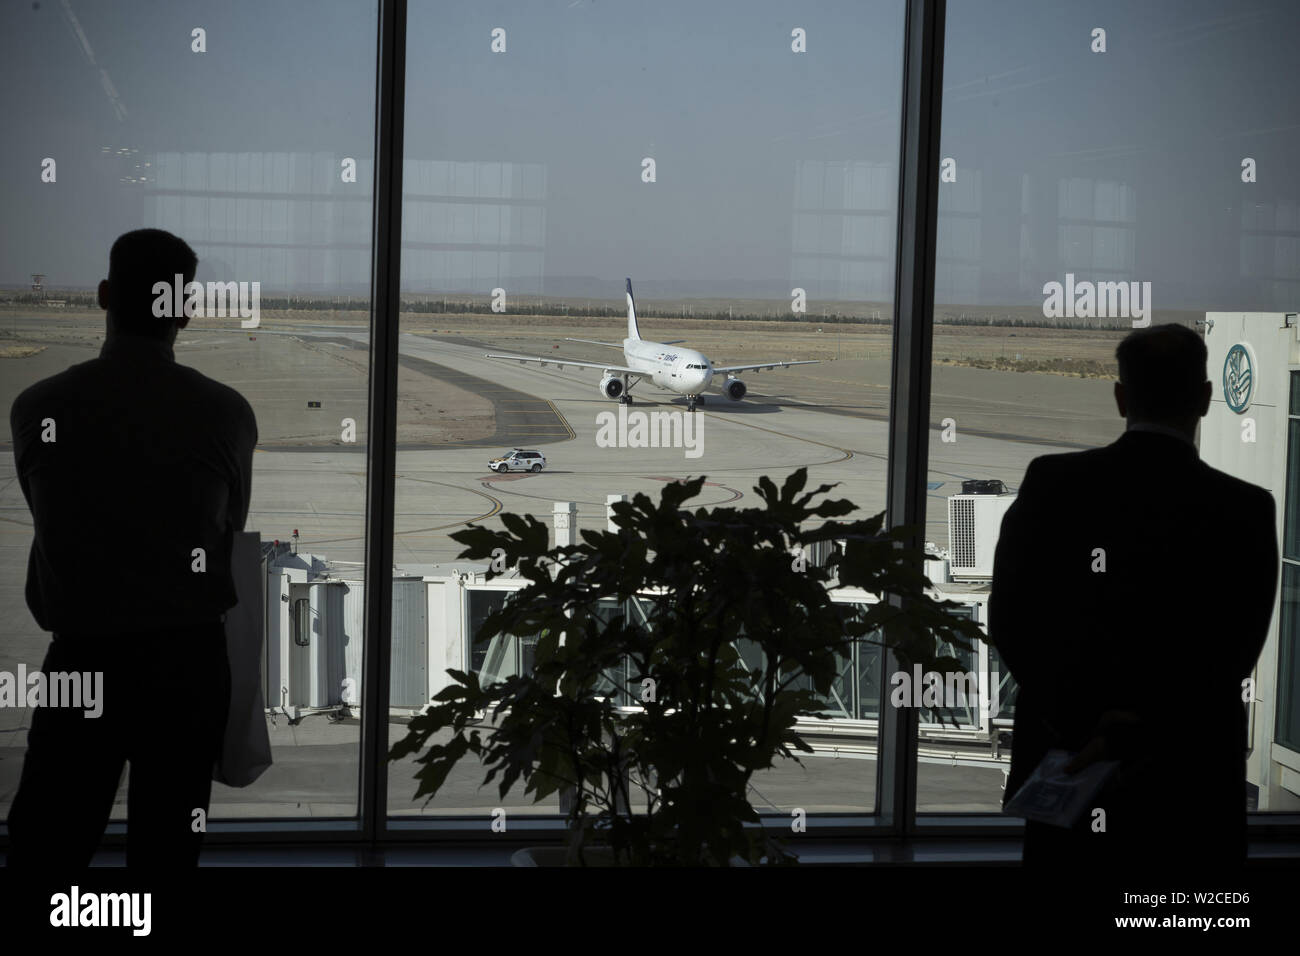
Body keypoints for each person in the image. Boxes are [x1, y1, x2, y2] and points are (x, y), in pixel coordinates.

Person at [6, 229, 258, 868]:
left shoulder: (37, 407)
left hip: (84, 657)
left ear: (103, 297)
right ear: (184, 309)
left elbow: (50, 522)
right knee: (168, 853)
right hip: (187, 666)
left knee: (47, 847)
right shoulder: (227, 412)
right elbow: (227, 530)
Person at [989, 322, 1277, 871]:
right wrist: (1144, 731)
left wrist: (1088, 728)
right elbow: (1236, 651)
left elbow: (1011, 623)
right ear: (1206, 399)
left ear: (1121, 398)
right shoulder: (1245, 508)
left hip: (1069, 770)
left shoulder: (1052, 482)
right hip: (1188, 782)